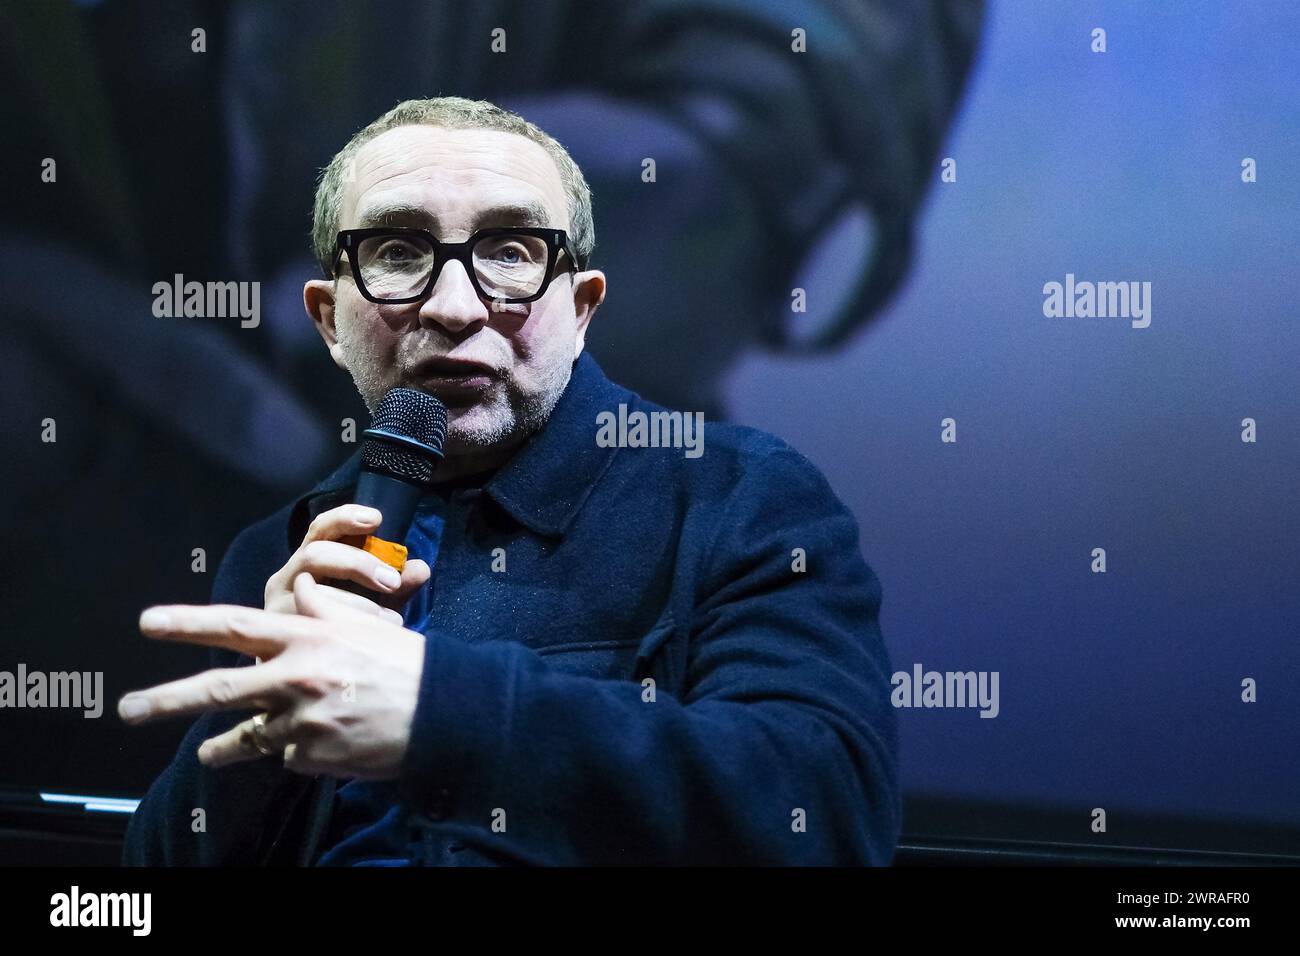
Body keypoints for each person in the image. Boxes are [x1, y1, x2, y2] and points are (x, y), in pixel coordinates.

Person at [119, 96, 900, 866]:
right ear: (328, 320)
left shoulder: (741, 499)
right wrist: (261, 727)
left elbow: (824, 809)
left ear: (582, 307)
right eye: (396, 252)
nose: (455, 307)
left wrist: (443, 714)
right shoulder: (280, 550)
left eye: (510, 252)